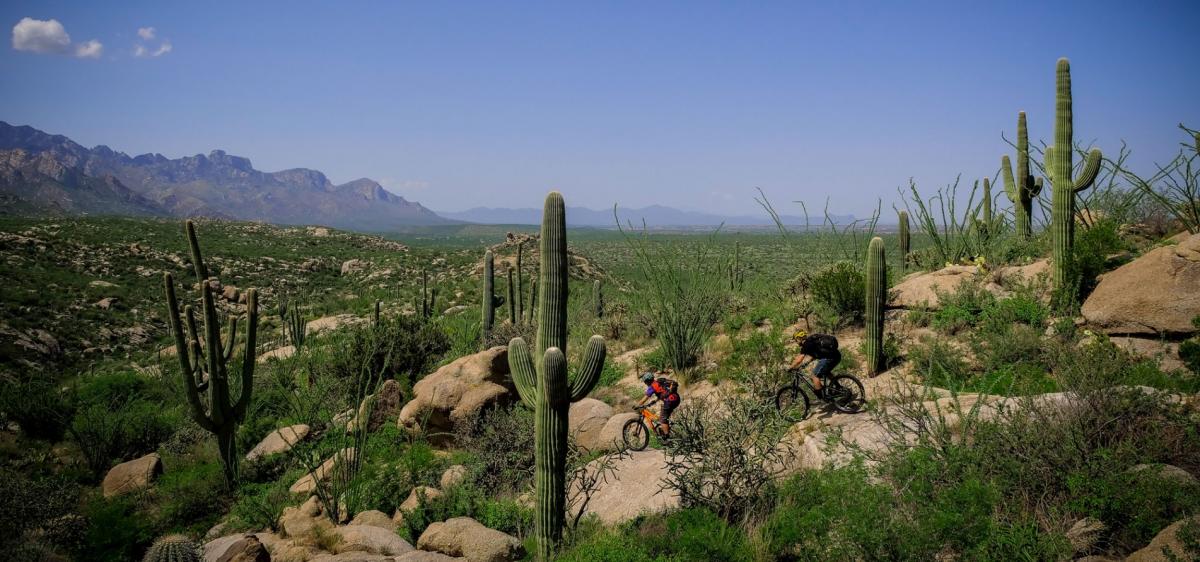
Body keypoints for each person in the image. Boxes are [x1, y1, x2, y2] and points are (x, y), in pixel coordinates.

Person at [789, 330, 840, 397]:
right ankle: (838, 387)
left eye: (796, 340)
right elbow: (815, 355)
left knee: (814, 376)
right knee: (825, 372)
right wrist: (806, 364)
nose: (796, 342)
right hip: (836, 355)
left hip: (828, 358)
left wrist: (790, 367)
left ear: (800, 338)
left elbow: (799, 359)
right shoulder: (812, 341)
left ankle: (823, 397)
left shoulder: (806, 344)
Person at [636, 371, 680, 436]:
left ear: (647, 381)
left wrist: (637, 405)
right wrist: (654, 401)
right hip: (676, 399)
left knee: (662, 419)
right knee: (664, 414)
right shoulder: (659, 382)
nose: (645, 383)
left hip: (669, 401)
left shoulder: (652, 387)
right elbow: (663, 393)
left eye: (645, 382)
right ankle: (668, 428)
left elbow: (644, 399)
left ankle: (667, 437)